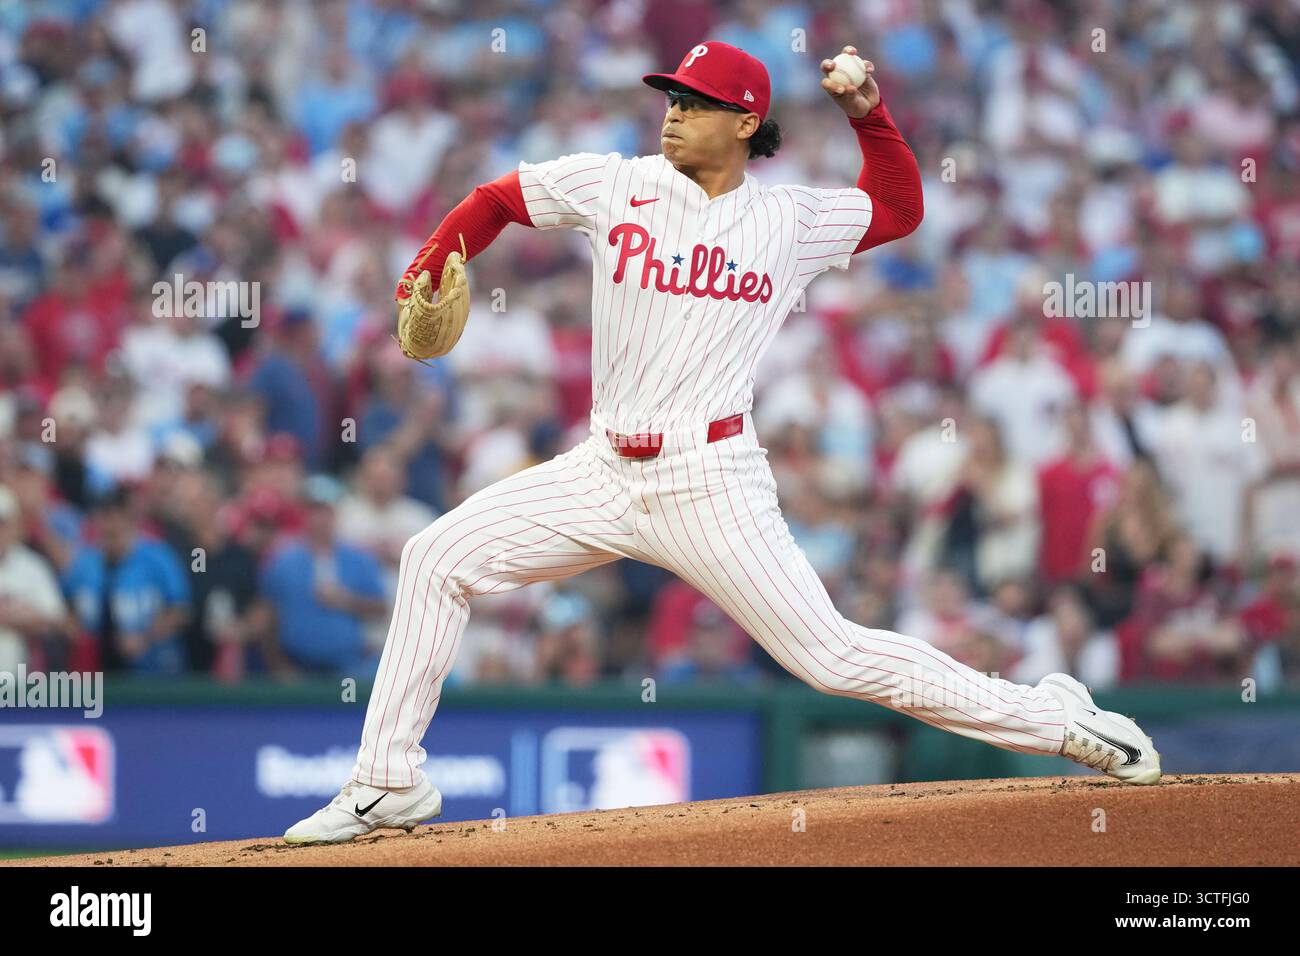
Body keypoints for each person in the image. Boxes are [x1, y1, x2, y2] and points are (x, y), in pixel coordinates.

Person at [286, 41, 1161, 845]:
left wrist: (867, 109)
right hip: (600, 469)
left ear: (745, 123)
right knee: (436, 555)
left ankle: (1058, 722)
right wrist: (434, 256)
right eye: (670, 95)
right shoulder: (617, 181)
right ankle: (386, 782)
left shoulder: (786, 223)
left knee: (833, 658)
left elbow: (898, 207)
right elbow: (496, 200)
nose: (672, 111)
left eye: (695, 101)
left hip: (710, 479)